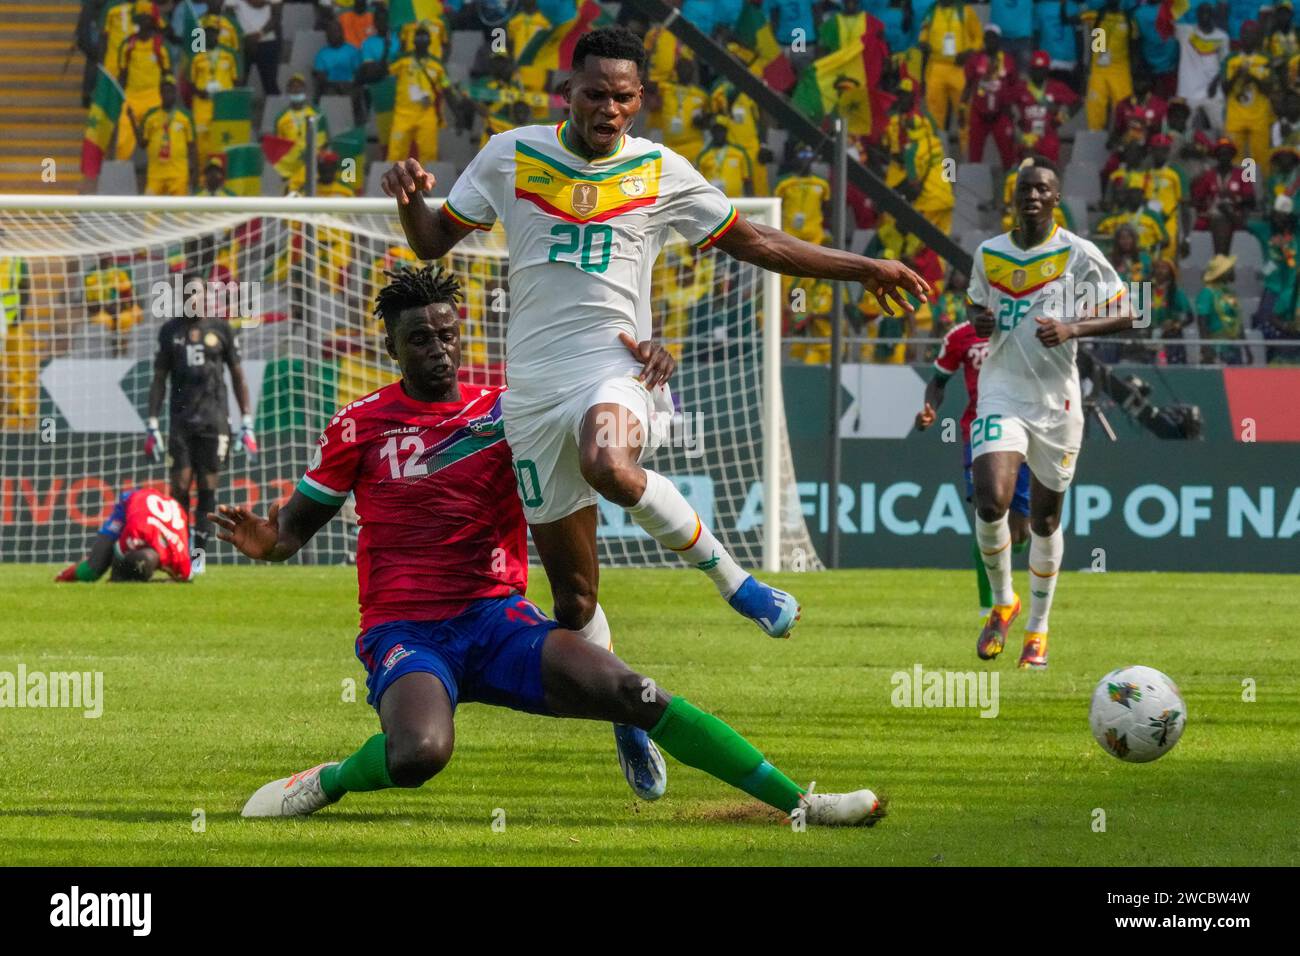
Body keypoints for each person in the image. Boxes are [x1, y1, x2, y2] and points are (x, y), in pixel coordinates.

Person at [380, 27, 928, 799]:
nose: (609, 108)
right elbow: (433, 241)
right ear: (566, 92)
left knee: (611, 463)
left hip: (616, 366)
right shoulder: (511, 154)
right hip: (531, 394)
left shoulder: (661, 170)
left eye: (624, 96)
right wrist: (412, 203)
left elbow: (755, 239)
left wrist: (862, 267)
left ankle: (740, 585)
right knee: (574, 604)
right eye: (596, 92)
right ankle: (627, 719)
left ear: (643, 100)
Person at [226, 265, 884, 827]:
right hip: (409, 631)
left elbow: (599, 405)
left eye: (447, 335)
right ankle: (330, 780)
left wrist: (639, 371)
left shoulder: (514, 409)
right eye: (419, 339)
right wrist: (268, 541)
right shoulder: (359, 424)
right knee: (419, 754)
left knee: (641, 695)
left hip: (498, 621)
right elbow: (291, 532)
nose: (438, 349)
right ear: (392, 346)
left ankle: (803, 804)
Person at [967, 157, 1134, 669]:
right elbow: (976, 312)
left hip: (1058, 401)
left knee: (1044, 518)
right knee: (991, 500)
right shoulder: (988, 253)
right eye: (1024, 189)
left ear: (1056, 199)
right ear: (1012, 198)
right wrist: (980, 318)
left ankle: (1037, 630)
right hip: (1001, 389)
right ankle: (1002, 602)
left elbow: (1127, 311)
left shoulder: (1078, 254)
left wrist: (1072, 329)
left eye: (1042, 189)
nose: (1032, 196)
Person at [915, 310, 1032, 619]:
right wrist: (930, 408)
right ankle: (990, 606)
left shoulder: (1025, 325)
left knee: (1020, 533)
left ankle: (1005, 565)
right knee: (988, 513)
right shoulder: (959, 336)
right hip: (979, 431)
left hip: (1025, 428)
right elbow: (938, 381)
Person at [145, 289, 256, 563]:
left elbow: (237, 376)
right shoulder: (169, 331)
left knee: (208, 486)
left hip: (214, 421)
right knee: (180, 486)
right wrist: (152, 423)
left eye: (199, 294)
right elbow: (159, 378)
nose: (194, 299)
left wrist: (247, 423)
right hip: (180, 422)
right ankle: (179, 550)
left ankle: (198, 557)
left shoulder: (221, 329)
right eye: (189, 294)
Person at [55, 487, 192, 583]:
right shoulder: (139, 531)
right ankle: (62, 577)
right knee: (94, 569)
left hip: (150, 514)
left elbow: (186, 577)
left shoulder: (181, 558)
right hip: (131, 504)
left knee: (141, 561)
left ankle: (127, 577)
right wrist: (115, 578)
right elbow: (120, 549)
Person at [919, 0, 984, 133]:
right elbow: (923, 37)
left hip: (959, 69)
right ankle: (939, 150)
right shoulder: (930, 12)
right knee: (934, 116)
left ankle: (966, 151)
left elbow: (979, 38)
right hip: (936, 67)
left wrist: (969, 52)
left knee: (964, 113)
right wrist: (923, 44)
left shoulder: (965, 11)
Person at [1222, 18, 1274, 179]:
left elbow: (1268, 89)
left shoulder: (1266, 59)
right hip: (1235, 116)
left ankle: (1261, 194)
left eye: (1252, 35)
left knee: (1259, 157)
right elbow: (1225, 89)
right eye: (1245, 34)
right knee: (1237, 157)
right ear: (1240, 36)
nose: (1248, 38)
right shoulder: (1230, 59)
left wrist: (1252, 76)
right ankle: (1243, 191)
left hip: (1258, 116)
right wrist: (1237, 75)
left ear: (1258, 37)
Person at [1011, 50, 1080, 165]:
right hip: (1028, 136)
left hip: (1048, 135)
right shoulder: (1021, 87)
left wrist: (1061, 119)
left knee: (1049, 171)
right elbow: (1004, 103)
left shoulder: (1056, 87)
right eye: (1035, 69)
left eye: (1041, 69)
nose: (1038, 73)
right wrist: (1016, 122)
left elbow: (1077, 102)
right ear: (1030, 69)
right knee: (1026, 170)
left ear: (1047, 70)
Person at [963, 25, 1018, 168]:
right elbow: (968, 85)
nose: (990, 40)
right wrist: (962, 108)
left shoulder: (1007, 60)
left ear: (999, 40)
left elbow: (1014, 85)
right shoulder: (975, 59)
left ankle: (1009, 185)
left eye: (993, 37)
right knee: (974, 155)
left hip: (1001, 114)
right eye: (987, 37)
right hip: (978, 113)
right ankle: (975, 185)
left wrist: (1012, 109)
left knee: (1008, 155)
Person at [1167, 2, 1228, 128]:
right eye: (1201, 13)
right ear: (1197, 15)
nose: (1204, 16)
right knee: (1186, 127)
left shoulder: (1222, 37)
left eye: (1207, 13)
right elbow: (1166, 23)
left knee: (1221, 127)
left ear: (1213, 15)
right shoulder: (1186, 32)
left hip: (1213, 91)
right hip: (1189, 91)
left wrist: (1215, 82)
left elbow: (1224, 64)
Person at [136, 77, 198, 197]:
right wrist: (133, 122)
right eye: (164, 91)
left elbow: (192, 147)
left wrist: (194, 173)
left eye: (170, 91)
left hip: (178, 173)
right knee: (150, 210)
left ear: (175, 93)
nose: (167, 95)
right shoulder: (151, 116)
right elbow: (142, 144)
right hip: (156, 173)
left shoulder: (185, 116)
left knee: (179, 211)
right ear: (160, 93)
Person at [1081, 0, 1136, 131]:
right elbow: (1067, 19)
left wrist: (1135, 68)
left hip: (1120, 70)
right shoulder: (1095, 16)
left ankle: (1124, 137)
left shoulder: (1129, 20)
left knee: (1124, 107)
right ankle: (1095, 136)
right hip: (1098, 70)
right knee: (1095, 105)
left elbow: (1134, 45)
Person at [774, 144, 831, 242]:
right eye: (802, 155)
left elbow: (827, 208)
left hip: (814, 235)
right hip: (790, 235)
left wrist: (826, 228)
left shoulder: (822, 183)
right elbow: (776, 207)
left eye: (808, 155)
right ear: (795, 158)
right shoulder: (784, 183)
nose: (805, 159)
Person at [1197, 254, 1243, 364]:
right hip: (1216, 346)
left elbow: (1238, 320)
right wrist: (1206, 347)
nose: (1233, 270)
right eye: (1230, 269)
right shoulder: (1207, 293)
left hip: (1234, 344)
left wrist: (1246, 347)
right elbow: (1202, 322)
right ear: (1222, 273)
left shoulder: (1230, 293)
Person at [696, 120, 754, 197]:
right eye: (716, 131)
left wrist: (751, 202)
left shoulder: (739, 152)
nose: (719, 134)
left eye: (721, 131)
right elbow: (698, 183)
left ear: (726, 132)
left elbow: (748, 180)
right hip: (712, 201)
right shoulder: (703, 155)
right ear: (712, 133)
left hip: (736, 201)